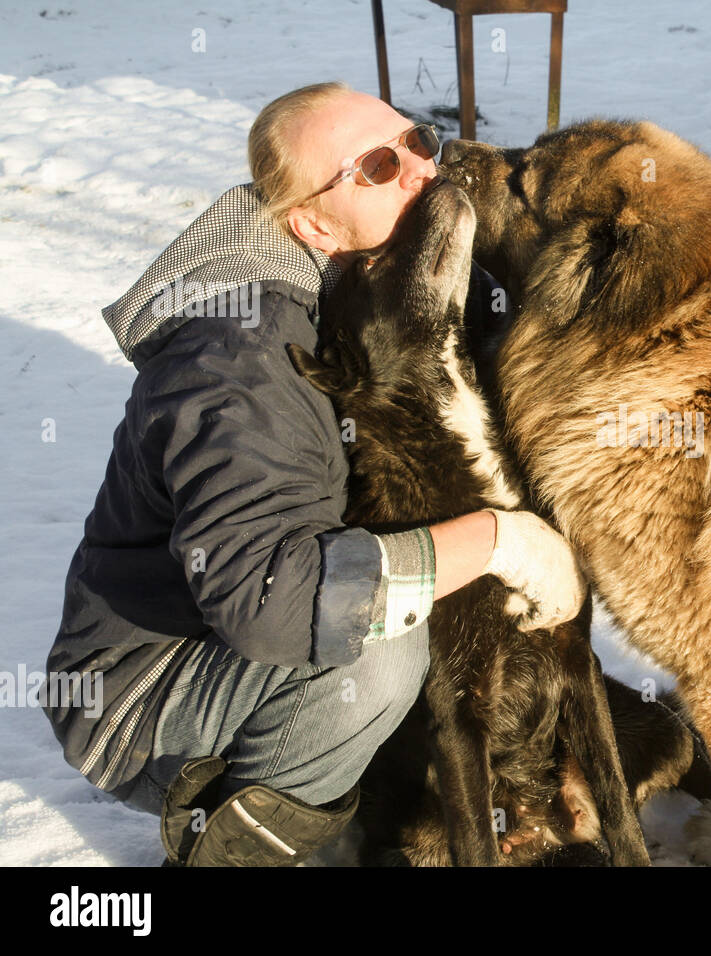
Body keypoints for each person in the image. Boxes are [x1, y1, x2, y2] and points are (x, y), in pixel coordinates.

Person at [42, 82, 586, 866]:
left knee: (398, 608)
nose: (418, 172)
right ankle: (237, 845)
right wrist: (503, 541)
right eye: (374, 165)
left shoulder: (362, 278)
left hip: (239, 643)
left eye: (419, 142)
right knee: (374, 646)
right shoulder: (241, 358)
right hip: (143, 699)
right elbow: (275, 601)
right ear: (312, 225)